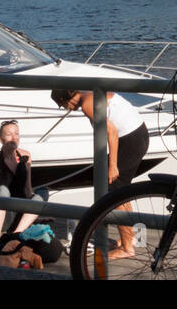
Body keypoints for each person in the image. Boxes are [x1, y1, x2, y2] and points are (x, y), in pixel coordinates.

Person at [51, 87, 148, 259]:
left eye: (62, 105)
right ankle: (132, 238)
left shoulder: (88, 104)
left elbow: (112, 132)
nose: (65, 109)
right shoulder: (91, 92)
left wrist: (113, 165)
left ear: (66, 99)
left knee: (114, 192)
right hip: (138, 134)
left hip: (129, 139)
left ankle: (127, 248)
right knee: (122, 190)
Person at [0, 120, 42, 252]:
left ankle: (15, 237)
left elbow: (28, 189)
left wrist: (36, 210)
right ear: (0, 139)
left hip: (17, 216)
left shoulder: (26, 156)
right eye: (9, 134)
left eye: (16, 133)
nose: (14, 137)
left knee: (41, 195)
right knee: (3, 190)